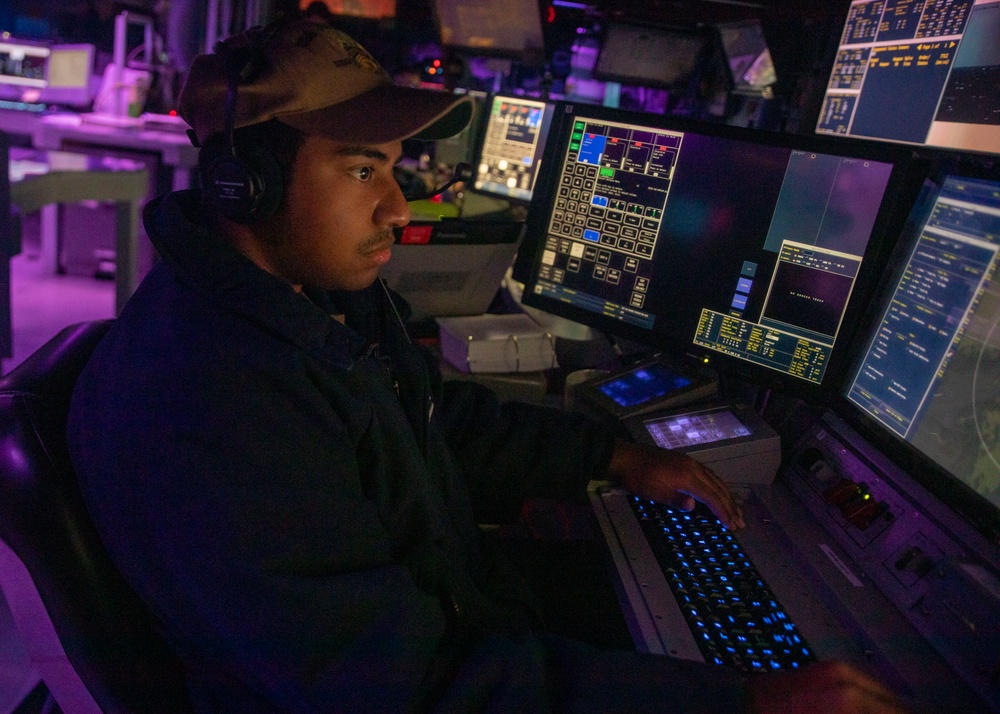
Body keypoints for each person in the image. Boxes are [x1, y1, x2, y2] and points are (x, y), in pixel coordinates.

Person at [66, 13, 908, 713]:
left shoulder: (301, 304)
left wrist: (612, 456)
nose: (397, 207)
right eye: (362, 170)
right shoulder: (216, 402)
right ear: (238, 186)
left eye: (391, 168)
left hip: (449, 614)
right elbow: (410, 692)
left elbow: (433, 417)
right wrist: (741, 705)